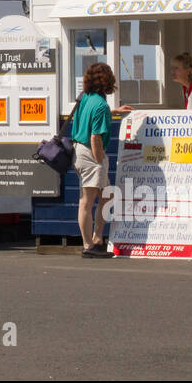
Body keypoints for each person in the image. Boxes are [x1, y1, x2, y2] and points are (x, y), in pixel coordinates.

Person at [71, 62, 127, 259]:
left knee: (106, 197)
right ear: (107, 81)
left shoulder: (86, 98)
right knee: (86, 201)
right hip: (92, 154)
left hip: (79, 151)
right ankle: (89, 245)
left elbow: (89, 118)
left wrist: (114, 112)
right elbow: (95, 136)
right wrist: (99, 160)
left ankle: (96, 239)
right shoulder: (101, 105)